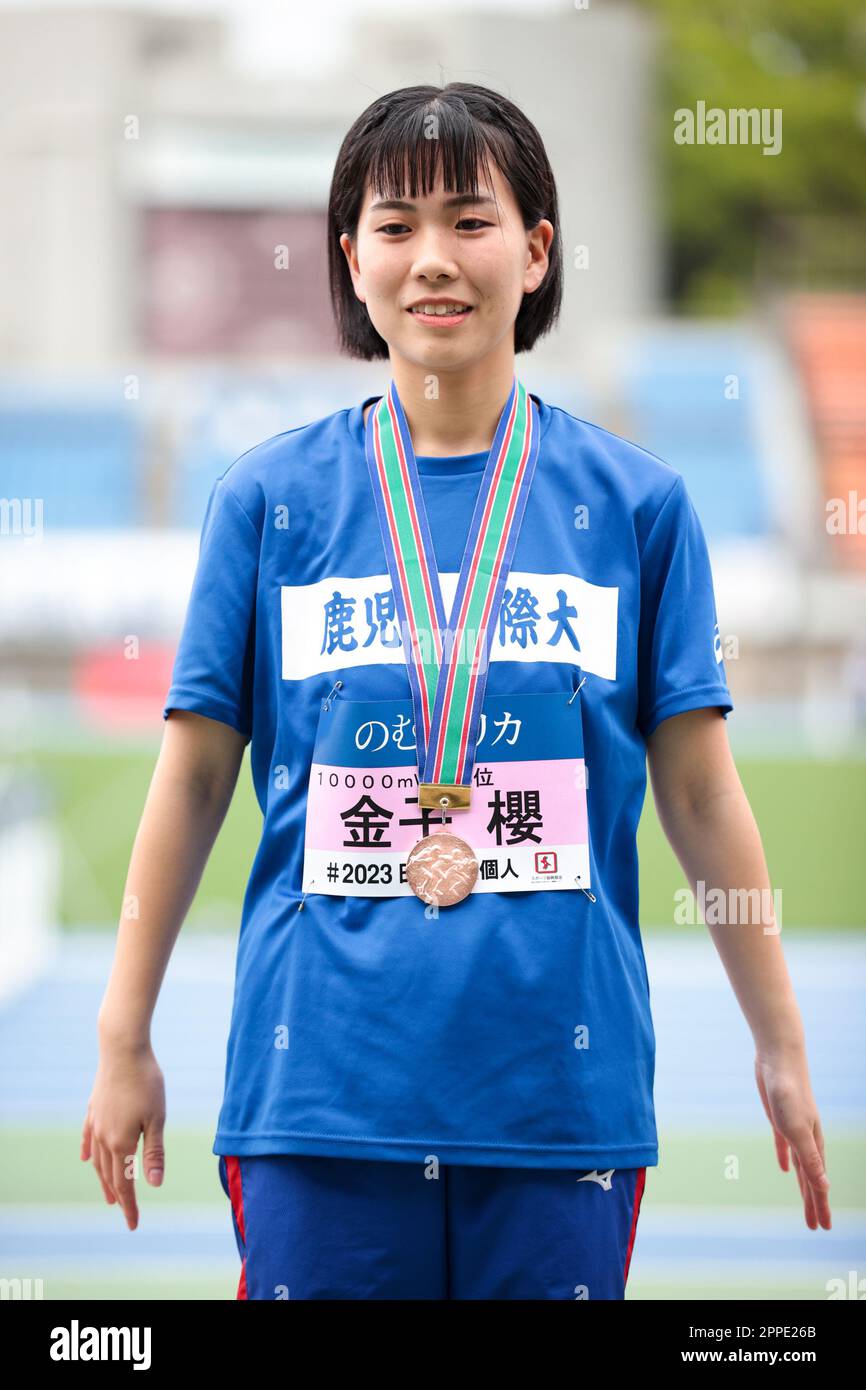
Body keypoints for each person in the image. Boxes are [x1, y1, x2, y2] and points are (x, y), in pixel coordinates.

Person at [82, 82, 831, 1301]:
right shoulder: (268, 502)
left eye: (469, 220)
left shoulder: (635, 507)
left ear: (535, 252)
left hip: (556, 1110)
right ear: (351, 260)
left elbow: (698, 792)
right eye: (395, 225)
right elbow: (197, 774)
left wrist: (780, 1040)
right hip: (316, 1102)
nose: (433, 258)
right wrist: (123, 1034)